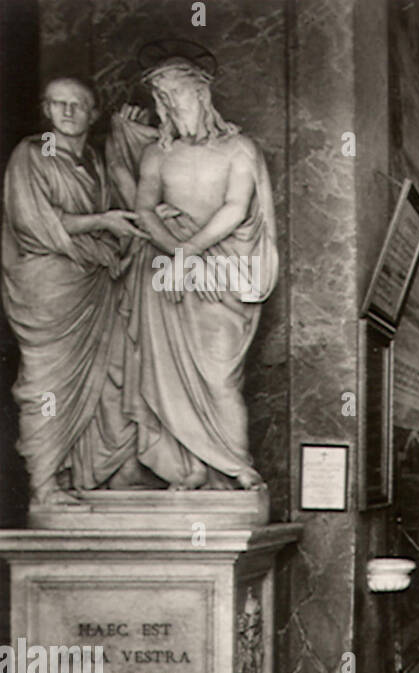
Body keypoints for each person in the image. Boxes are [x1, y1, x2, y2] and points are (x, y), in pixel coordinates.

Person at [108, 55, 278, 490]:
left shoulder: (239, 149)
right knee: (164, 373)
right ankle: (187, 467)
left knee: (220, 374)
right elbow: (144, 208)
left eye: (175, 93)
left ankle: (236, 464)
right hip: (166, 274)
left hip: (220, 273)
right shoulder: (158, 153)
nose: (168, 103)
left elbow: (236, 208)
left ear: (202, 93)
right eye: (160, 97)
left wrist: (191, 251)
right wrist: (176, 250)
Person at [1, 77, 145, 505]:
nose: (66, 113)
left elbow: (124, 208)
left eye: (77, 105)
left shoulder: (94, 161)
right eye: (57, 104)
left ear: (93, 113)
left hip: (93, 282)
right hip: (50, 288)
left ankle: (97, 471)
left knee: (111, 373)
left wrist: (129, 135)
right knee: (49, 384)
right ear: (46, 110)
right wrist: (102, 223)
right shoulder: (33, 154)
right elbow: (35, 223)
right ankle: (44, 486)